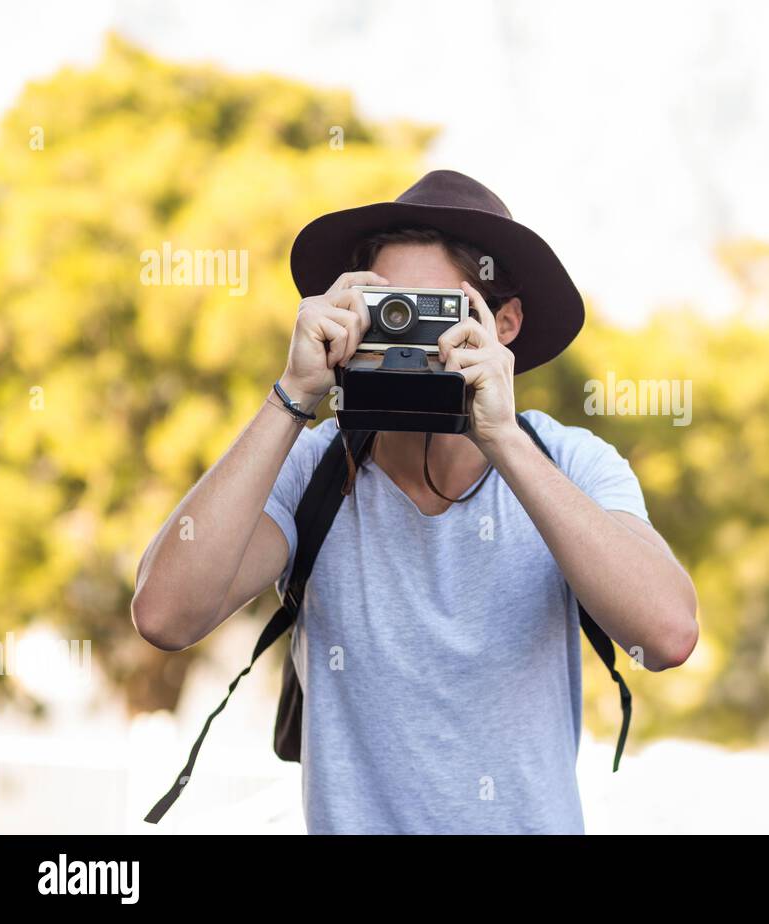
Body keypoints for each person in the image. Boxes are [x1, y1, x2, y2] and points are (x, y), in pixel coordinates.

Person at [130, 170, 698, 833]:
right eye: (383, 312)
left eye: (432, 315)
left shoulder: (568, 463)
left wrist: (502, 439)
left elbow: (667, 635)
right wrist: (292, 396)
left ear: (503, 324)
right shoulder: (315, 469)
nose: (405, 337)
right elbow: (164, 616)